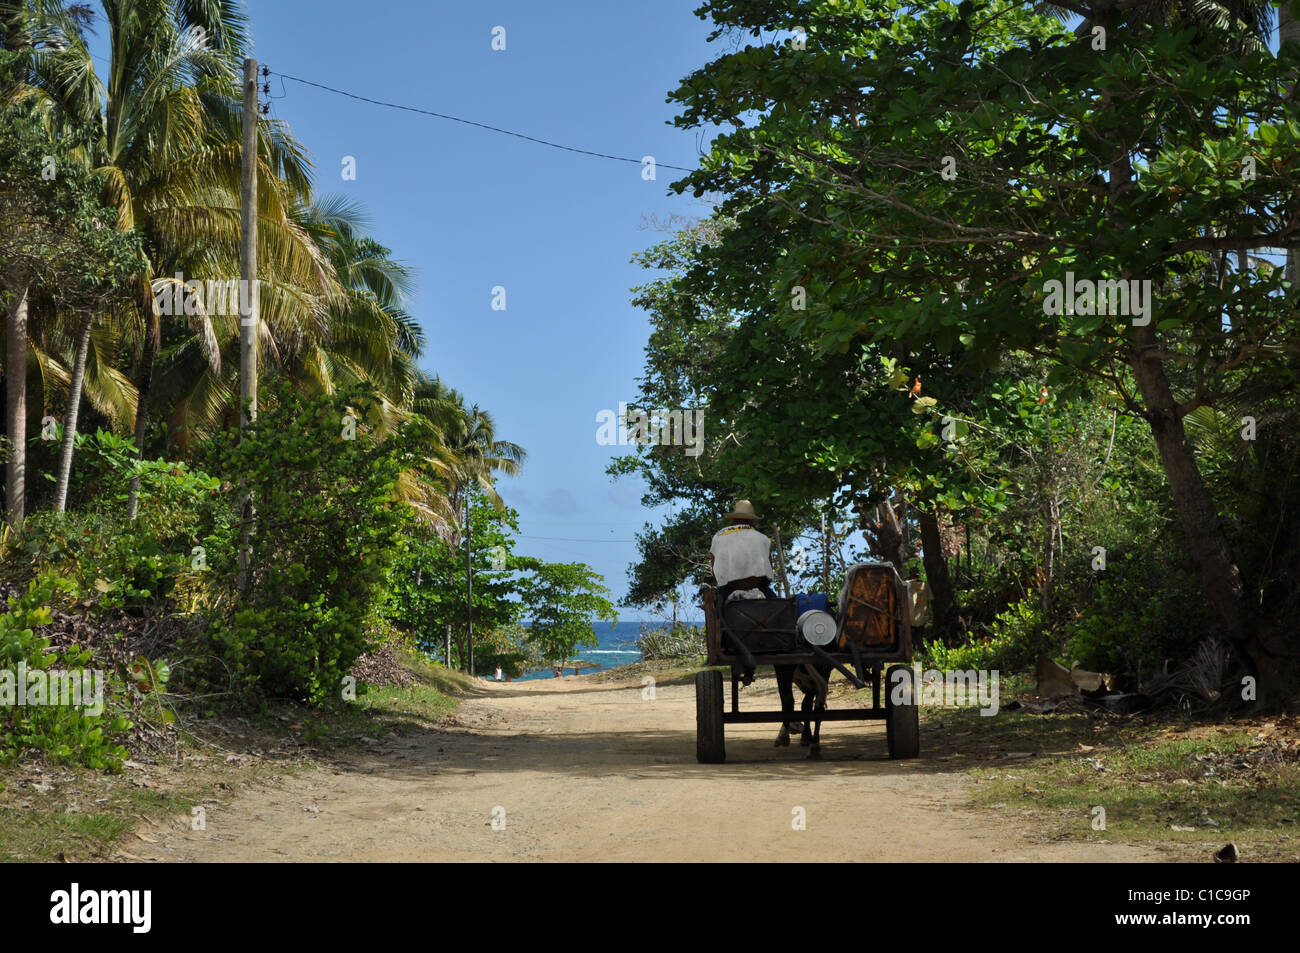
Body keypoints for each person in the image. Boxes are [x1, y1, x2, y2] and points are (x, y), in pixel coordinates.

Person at [709, 500, 776, 603]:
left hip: (728, 590)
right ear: (752, 521)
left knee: (718, 610)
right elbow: (769, 570)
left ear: (734, 519)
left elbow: (714, 569)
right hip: (759, 589)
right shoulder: (763, 539)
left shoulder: (718, 536)